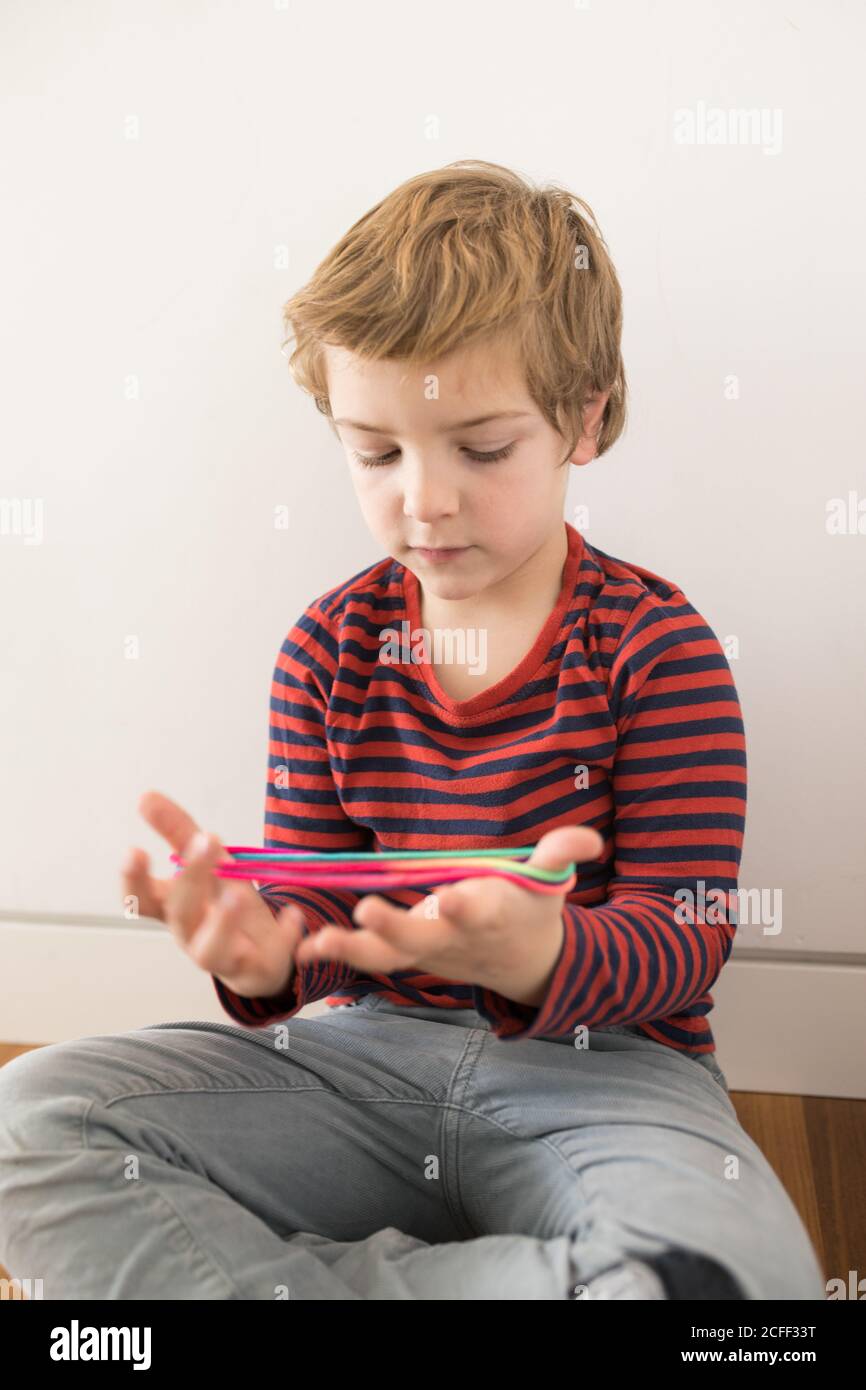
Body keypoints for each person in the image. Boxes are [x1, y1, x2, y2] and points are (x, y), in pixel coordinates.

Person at [0, 161, 825, 1299]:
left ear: (582, 418)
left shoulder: (654, 645)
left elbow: (683, 937)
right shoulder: (327, 648)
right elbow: (317, 901)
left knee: (745, 1283)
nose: (421, 500)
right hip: (361, 1065)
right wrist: (265, 953)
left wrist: (537, 954)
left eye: (479, 449)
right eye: (375, 451)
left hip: (605, 1076)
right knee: (29, 1120)